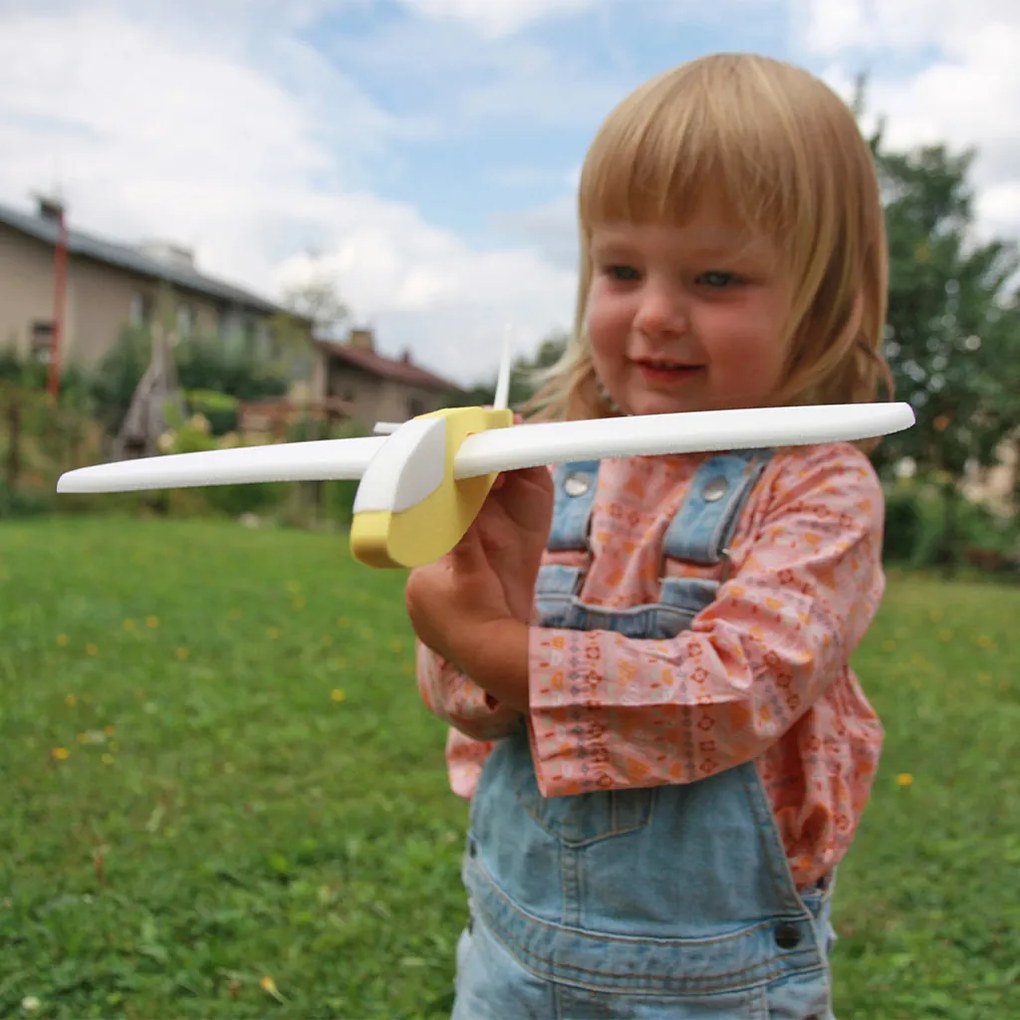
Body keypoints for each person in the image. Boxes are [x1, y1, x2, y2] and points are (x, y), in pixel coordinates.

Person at [406, 52, 893, 1019]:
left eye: (717, 277)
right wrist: (471, 631)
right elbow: (476, 705)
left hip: (713, 982)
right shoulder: (553, 461)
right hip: (509, 952)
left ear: (822, 295)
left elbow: (734, 688)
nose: (656, 315)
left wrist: (498, 644)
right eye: (621, 269)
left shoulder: (820, 487)